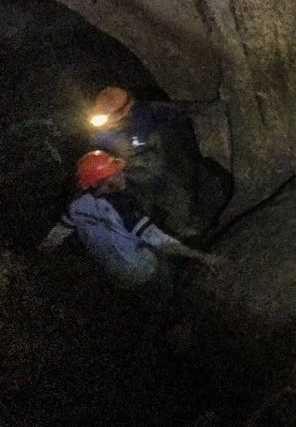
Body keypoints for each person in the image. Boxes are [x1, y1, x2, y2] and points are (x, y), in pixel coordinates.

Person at [41, 151, 223, 288]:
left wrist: (41, 253)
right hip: (142, 270)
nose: (122, 174)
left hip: (110, 272)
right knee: (169, 277)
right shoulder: (123, 207)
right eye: (116, 173)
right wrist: (202, 257)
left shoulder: (76, 205)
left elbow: (58, 232)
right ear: (102, 183)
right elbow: (163, 243)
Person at [87, 86, 197, 233]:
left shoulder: (144, 114)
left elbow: (178, 113)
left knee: (174, 197)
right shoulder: (99, 131)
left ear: (126, 109)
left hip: (153, 165)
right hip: (127, 176)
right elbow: (95, 153)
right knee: (140, 206)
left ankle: (183, 229)